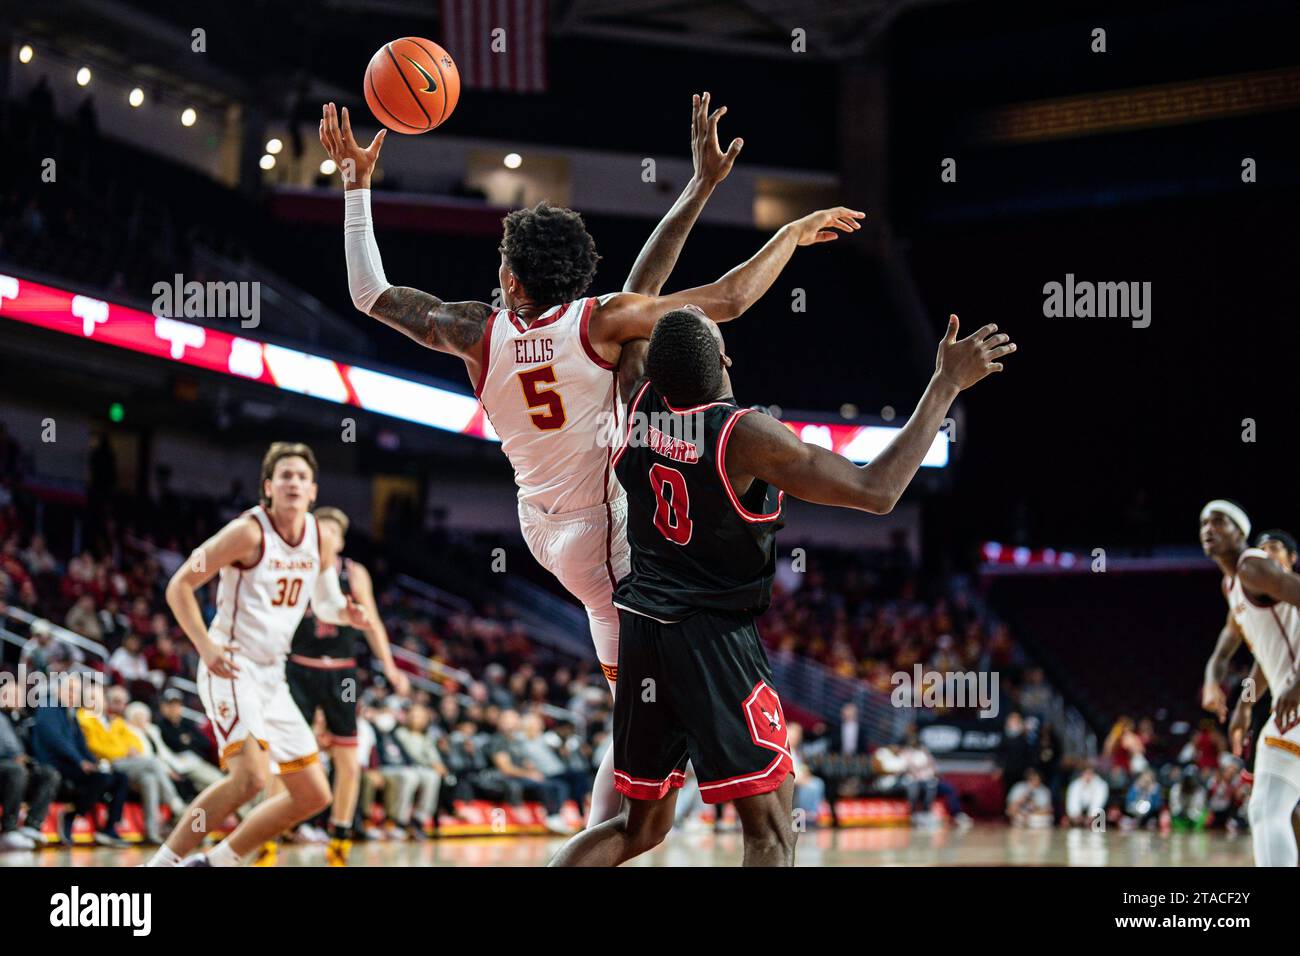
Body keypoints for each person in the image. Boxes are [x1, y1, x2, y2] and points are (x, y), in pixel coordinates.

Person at [319, 94, 863, 828]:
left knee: (635, 707)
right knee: (641, 712)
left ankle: (626, 817)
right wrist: (791, 234)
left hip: (543, 527)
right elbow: (728, 300)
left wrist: (357, 187)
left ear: (513, 281)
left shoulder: (474, 329)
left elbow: (370, 292)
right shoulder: (603, 322)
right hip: (606, 534)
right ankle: (628, 823)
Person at [550, 306, 1014, 866]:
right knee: (772, 832)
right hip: (711, 638)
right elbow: (877, 489)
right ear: (724, 360)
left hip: (644, 628)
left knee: (636, 827)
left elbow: (637, 300)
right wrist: (945, 385)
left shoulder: (636, 399)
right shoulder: (741, 434)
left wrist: (682, 223)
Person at [144, 442, 368, 867]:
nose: (293, 483)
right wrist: (204, 646)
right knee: (250, 777)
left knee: (314, 794)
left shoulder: (319, 537)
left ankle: (216, 862)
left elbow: (324, 603)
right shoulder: (248, 532)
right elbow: (179, 586)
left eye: (302, 477)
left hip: (272, 675)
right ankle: (160, 865)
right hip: (231, 664)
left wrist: (345, 612)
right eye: (285, 475)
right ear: (268, 486)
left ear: (314, 491)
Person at [285, 506, 409, 865]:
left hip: (342, 674)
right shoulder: (295, 567)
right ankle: (273, 836)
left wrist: (390, 668)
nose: (324, 539)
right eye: (319, 532)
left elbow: (371, 623)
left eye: (331, 534)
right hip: (298, 668)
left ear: (340, 541)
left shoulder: (353, 573)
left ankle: (339, 839)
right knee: (290, 757)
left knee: (349, 759)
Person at [1198, 501, 1300, 865]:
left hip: (1296, 704)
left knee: (1268, 809)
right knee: (1268, 810)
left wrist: (1297, 682)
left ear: (1239, 533)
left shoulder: (1253, 566)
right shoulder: (1233, 584)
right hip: (1284, 710)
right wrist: (1231, 697)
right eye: (1204, 523)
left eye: (1219, 522)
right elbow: (1227, 652)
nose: (1208, 528)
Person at [29, 674, 131, 846]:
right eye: (69, 690)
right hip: (54, 763)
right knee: (101, 778)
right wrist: (80, 761)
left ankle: (109, 828)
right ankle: (71, 814)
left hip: (72, 763)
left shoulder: (71, 713)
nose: (73, 694)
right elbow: (56, 740)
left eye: (76, 692)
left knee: (120, 777)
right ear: (58, 690)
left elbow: (80, 744)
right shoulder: (48, 705)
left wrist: (93, 762)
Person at [0, 677, 60, 849]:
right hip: (6, 767)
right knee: (16, 770)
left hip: (18, 769)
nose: (16, 700)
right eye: (11, 695)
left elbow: (30, 751)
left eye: (19, 696)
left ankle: (32, 825)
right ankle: (9, 828)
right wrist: (14, 757)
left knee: (48, 773)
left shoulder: (23, 721)